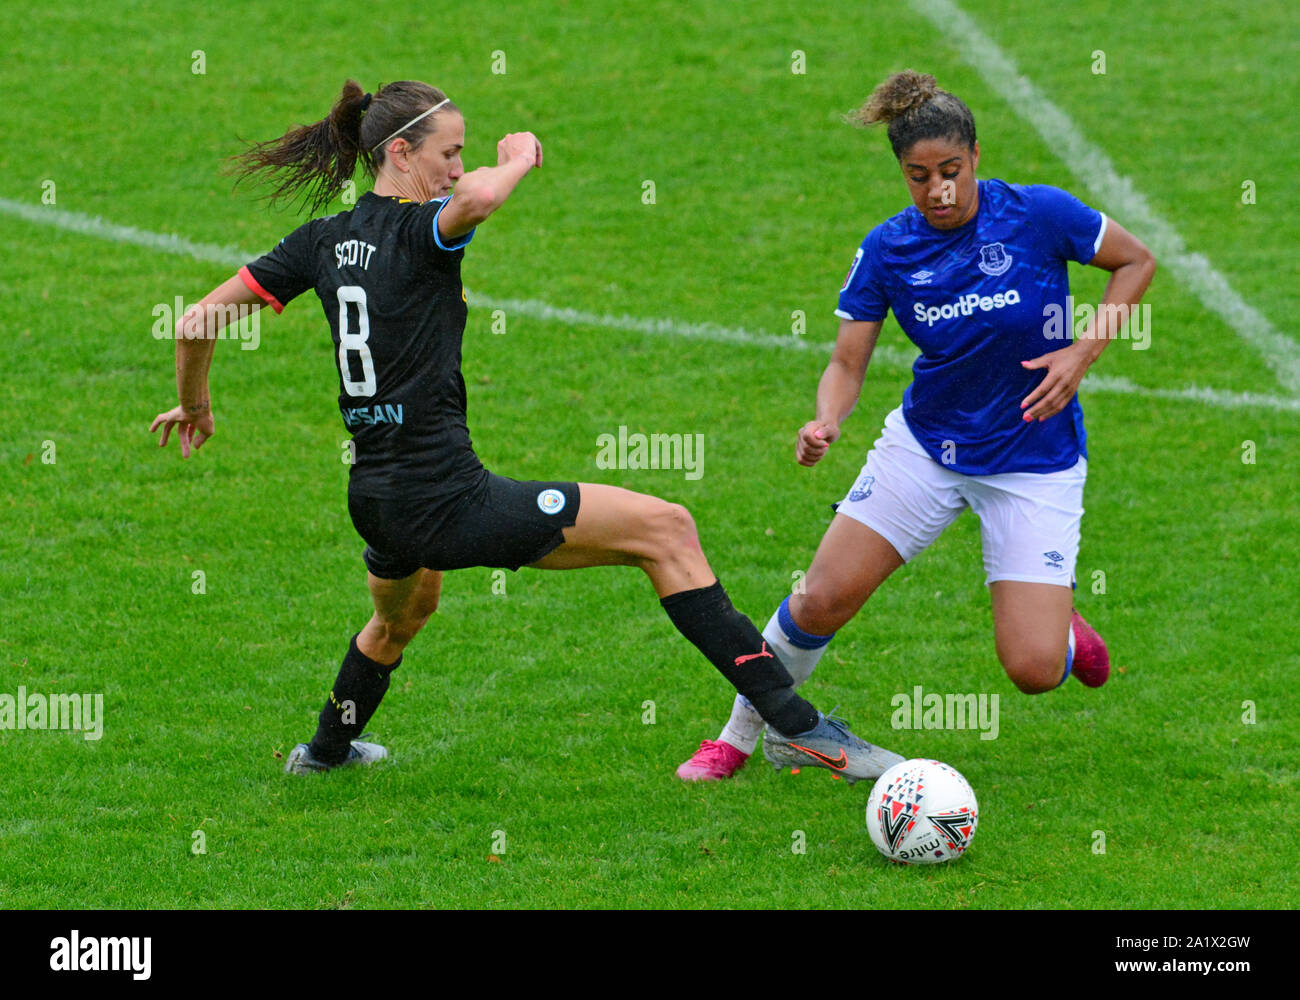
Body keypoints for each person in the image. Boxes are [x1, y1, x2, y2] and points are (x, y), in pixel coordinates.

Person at [149, 79, 904, 781]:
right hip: (447, 498)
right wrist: (516, 159)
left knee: (401, 617)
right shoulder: (421, 233)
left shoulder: (320, 240)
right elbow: (475, 203)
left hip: (376, 496)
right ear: (401, 153)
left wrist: (197, 405)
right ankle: (798, 725)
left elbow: (195, 320)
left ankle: (324, 752)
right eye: (450, 150)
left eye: (466, 153)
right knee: (666, 529)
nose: (459, 166)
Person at [677, 70, 1156, 781]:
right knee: (821, 596)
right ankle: (740, 736)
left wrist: (1083, 352)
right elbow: (847, 361)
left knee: (1030, 670)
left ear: (976, 157)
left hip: (1034, 459)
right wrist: (825, 420)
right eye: (918, 176)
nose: (938, 191)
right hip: (928, 448)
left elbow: (1136, 261)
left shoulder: (1040, 214)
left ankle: (1058, 632)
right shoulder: (888, 249)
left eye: (951, 172)